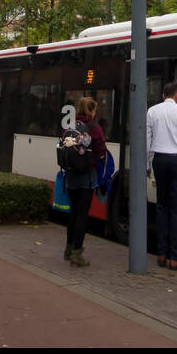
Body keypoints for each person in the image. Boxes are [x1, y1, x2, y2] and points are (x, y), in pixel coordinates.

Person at [146, 80, 177, 270]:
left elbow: (147, 140)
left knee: (162, 206)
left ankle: (161, 253)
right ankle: (174, 257)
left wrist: (147, 164)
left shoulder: (152, 111)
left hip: (159, 159)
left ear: (162, 96)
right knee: (176, 208)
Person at [64, 96, 107, 267]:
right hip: (87, 176)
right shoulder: (94, 128)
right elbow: (101, 149)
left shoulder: (70, 125)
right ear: (91, 110)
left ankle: (68, 249)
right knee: (82, 214)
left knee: (73, 212)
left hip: (71, 175)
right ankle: (77, 253)